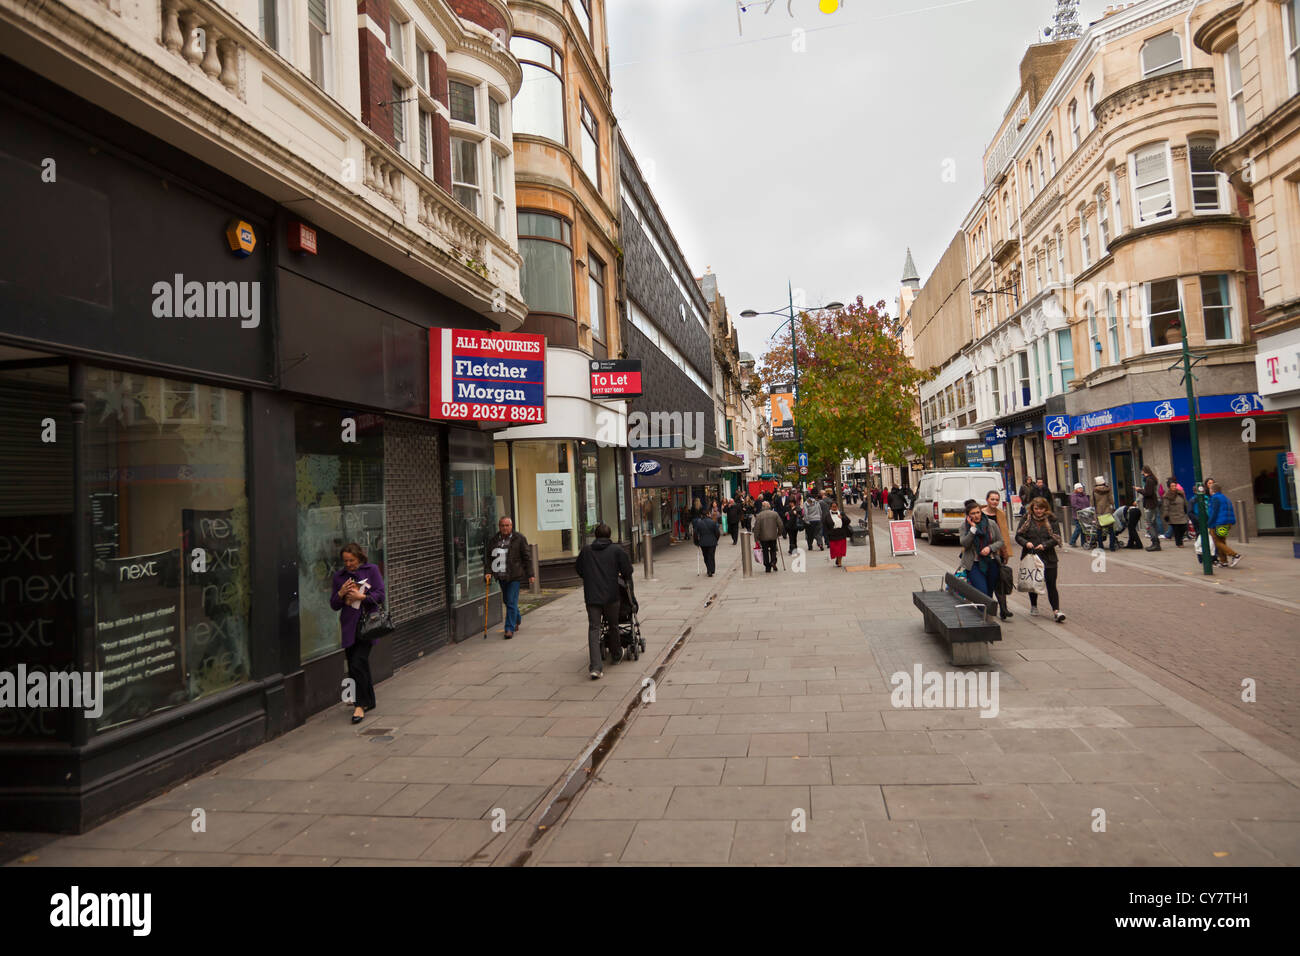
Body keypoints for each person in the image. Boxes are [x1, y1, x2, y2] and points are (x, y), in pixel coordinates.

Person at [330, 543, 386, 724]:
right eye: (345, 561)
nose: (348, 564)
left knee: (357, 663)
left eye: (351, 560)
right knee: (359, 665)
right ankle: (370, 700)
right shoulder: (339, 577)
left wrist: (362, 597)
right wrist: (340, 593)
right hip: (348, 627)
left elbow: (380, 595)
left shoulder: (372, 570)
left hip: (367, 625)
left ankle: (359, 705)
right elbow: (334, 605)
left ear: (359, 557)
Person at [575, 523, 635, 680]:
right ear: (609, 535)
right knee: (613, 625)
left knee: (594, 629)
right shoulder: (616, 550)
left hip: (592, 596)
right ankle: (616, 655)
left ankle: (595, 667)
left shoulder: (586, 551)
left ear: (595, 535)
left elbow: (579, 569)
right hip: (611, 595)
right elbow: (628, 571)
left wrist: (590, 578)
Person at [1015, 497, 1066, 622]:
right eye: (1036, 508)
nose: (1038, 511)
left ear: (1046, 508)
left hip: (1048, 557)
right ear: (1032, 508)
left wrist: (1045, 545)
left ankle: (1056, 611)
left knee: (1051, 584)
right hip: (1031, 555)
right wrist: (1026, 543)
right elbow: (1018, 536)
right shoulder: (1026, 519)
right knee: (1033, 582)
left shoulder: (1052, 519)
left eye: (1041, 509)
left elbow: (1056, 538)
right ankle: (1033, 605)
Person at [484, 516, 534, 640]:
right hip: (501, 575)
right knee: (507, 601)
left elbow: (527, 557)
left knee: (511, 601)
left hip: (514, 575)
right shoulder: (494, 540)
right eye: (503, 526)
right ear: (499, 526)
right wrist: (488, 571)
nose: (505, 528)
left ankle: (509, 629)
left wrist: (531, 574)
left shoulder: (519, 538)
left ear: (511, 526)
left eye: (507, 525)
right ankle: (517, 618)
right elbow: (488, 558)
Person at [958, 499, 1002, 598]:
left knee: (989, 593)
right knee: (982, 592)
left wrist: (990, 548)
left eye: (978, 512)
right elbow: (965, 543)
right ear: (968, 515)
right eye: (972, 513)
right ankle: (982, 612)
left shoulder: (991, 524)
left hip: (991, 562)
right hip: (974, 564)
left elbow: (1000, 541)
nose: (976, 515)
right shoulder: (964, 526)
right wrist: (973, 529)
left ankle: (986, 613)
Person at [982, 490, 1014, 620]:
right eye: (992, 499)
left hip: (998, 552)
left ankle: (1004, 609)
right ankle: (988, 609)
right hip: (983, 553)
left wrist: (1005, 552)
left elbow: (1004, 535)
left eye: (997, 499)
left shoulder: (1000, 513)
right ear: (987, 500)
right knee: (987, 582)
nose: (995, 502)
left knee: (1000, 579)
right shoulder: (980, 514)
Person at [1205, 478, 1241, 567]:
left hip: (1219, 523)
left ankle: (1235, 555)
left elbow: (1214, 513)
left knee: (1217, 542)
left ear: (1212, 490)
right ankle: (1224, 561)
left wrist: (1209, 523)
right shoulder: (1224, 497)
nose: (1209, 490)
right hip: (1226, 522)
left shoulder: (1215, 498)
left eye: (1210, 489)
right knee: (1221, 541)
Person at [753, 500, 783, 573]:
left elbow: (756, 528)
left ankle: (767, 566)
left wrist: (756, 538)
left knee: (765, 551)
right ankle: (773, 561)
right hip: (773, 536)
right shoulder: (775, 514)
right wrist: (779, 533)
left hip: (763, 537)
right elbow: (780, 524)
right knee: (773, 549)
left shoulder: (759, 515)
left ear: (762, 507)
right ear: (769, 506)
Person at [1091, 476, 1119, 551]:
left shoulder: (1094, 491)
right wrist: (1112, 506)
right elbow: (1111, 501)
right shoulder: (1108, 490)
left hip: (1099, 513)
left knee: (1099, 530)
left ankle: (1101, 546)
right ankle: (1112, 547)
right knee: (1111, 530)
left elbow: (1092, 503)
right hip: (1107, 512)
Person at [823, 498, 852, 568]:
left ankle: (839, 562)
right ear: (830, 507)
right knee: (835, 550)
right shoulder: (827, 515)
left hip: (841, 533)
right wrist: (827, 535)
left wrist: (842, 518)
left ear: (837, 507)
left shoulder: (841, 513)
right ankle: (837, 558)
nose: (834, 508)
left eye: (835, 507)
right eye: (833, 507)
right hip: (833, 534)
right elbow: (825, 525)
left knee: (841, 550)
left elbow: (848, 521)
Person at [692, 507, 720, 576]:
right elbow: (717, 533)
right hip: (712, 542)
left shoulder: (699, 523)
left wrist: (696, 542)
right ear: (708, 514)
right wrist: (715, 539)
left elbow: (695, 534)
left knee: (706, 556)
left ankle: (709, 569)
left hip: (703, 543)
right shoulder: (713, 522)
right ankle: (711, 570)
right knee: (711, 556)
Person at [1140, 465, 1162, 552]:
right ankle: (1156, 543)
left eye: (1142, 471)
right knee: (1153, 523)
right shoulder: (1152, 479)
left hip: (1150, 504)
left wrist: (1139, 490)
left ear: (1144, 471)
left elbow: (1148, 493)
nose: (1141, 473)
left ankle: (1155, 543)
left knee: (1149, 524)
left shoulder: (1149, 480)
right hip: (1153, 504)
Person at [1162, 478, 1189, 547]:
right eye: (1172, 486)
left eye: (1175, 485)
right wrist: (1166, 515)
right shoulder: (1167, 495)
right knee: (1177, 530)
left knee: (1184, 527)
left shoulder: (1180, 493)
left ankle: (1180, 541)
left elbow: (1185, 501)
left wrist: (1187, 508)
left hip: (1181, 513)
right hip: (1173, 515)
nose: (1174, 487)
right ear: (1169, 487)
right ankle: (1179, 543)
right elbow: (1165, 506)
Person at [1068, 482, 1091, 547]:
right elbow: (1073, 504)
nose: (1081, 489)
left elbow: (1087, 503)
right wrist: (1081, 508)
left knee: (1083, 528)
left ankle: (1083, 542)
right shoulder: (1074, 495)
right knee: (1079, 528)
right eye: (1079, 488)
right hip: (1077, 515)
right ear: (1076, 489)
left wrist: (1088, 509)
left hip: (1085, 514)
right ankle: (1072, 541)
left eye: (1081, 488)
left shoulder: (1084, 495)